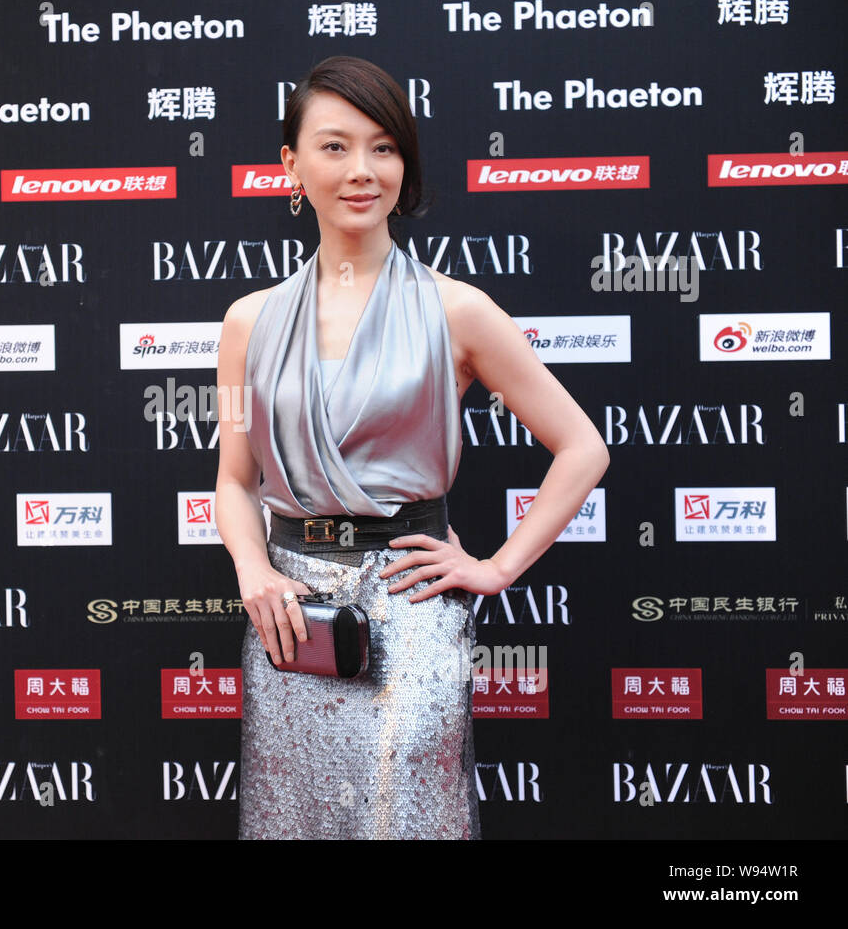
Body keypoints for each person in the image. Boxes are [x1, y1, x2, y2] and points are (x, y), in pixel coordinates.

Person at [214, 55, 609, 839]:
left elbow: (582, 448)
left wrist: (493, 568)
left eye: (384, 147)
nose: (362, 170)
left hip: (412, 613)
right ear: (290, 164)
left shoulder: (456, 311)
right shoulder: (246, 325)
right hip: (293, 626)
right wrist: (254, 570)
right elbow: (232, 479)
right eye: (335, 146)